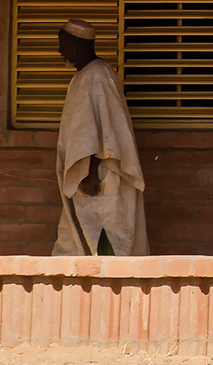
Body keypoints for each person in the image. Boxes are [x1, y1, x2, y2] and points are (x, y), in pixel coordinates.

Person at [52, 18, 149, 256]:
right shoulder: (85, 76)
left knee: (106, 237)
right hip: (89, 176)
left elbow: (103, 132)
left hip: (99, 177)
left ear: (79, 44)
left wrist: (90, 173)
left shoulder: (97, 75)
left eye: (63, 44)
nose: (60, 51)